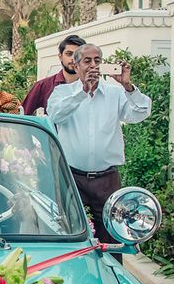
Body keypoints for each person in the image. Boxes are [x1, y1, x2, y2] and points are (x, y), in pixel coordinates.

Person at [46, 42, 151, 244]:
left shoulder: (116, 93)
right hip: (72, 177)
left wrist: (128, 86)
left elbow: (140, 113)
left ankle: (110, 274)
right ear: (76, 66)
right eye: (87, 61)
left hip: (107, 179)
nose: (93, 65)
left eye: (97, 60)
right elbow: (55, 116)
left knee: (111, 238)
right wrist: (82, 92)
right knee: (72, 234)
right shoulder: (63, 93)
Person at [22, 34, 86, 116]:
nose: (73, 59)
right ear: (60, 57)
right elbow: (23, 114)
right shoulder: (44, 86)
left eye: (78, 55)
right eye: (69, 54)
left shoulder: (92, 88)